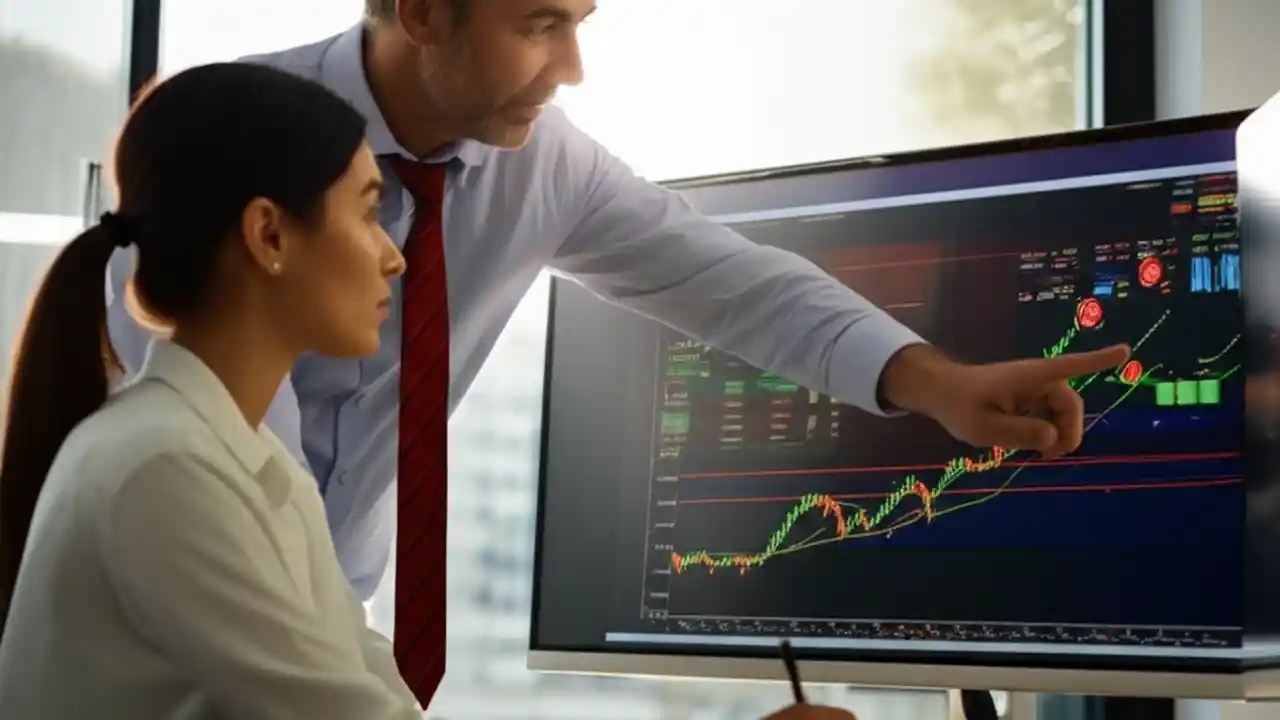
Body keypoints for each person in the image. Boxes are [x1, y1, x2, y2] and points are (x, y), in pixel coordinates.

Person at [104, 0, 1128, 713]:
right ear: (421, 11)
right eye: (538, 24)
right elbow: (241, 528)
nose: (570, 68)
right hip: (186, 655)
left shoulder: (539, 163)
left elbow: (730, 281)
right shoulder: (223, 148)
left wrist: (936, 382)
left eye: (578, 23)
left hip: (332, 649)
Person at [0, 62, 423, 718]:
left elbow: (361, 672)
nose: (393, 256)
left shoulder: (246, 458)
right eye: (369, 212)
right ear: (269, 234)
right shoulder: (165, 470)